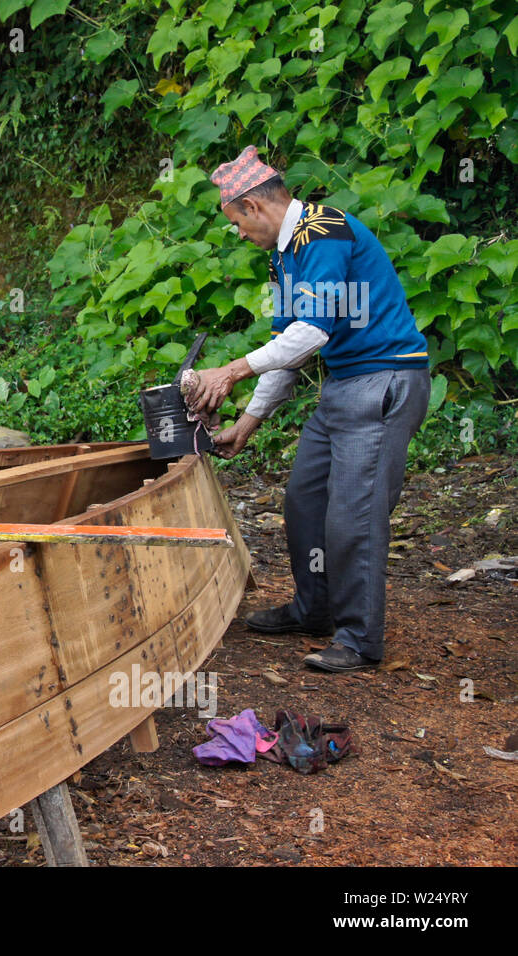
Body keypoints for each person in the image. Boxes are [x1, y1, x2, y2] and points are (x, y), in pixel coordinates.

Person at [186, 145, 430, 674]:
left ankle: (360, 637)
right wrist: (248, 422)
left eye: (234, 222)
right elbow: (288, 345)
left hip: (384, 378)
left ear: (252, 206)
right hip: (343, 384)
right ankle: (314, 609)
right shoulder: (282, 255)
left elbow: (312, 332)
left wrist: (228, 371)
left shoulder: (323, 230)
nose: (237, 234)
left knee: (354, 516)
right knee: (304, 501)